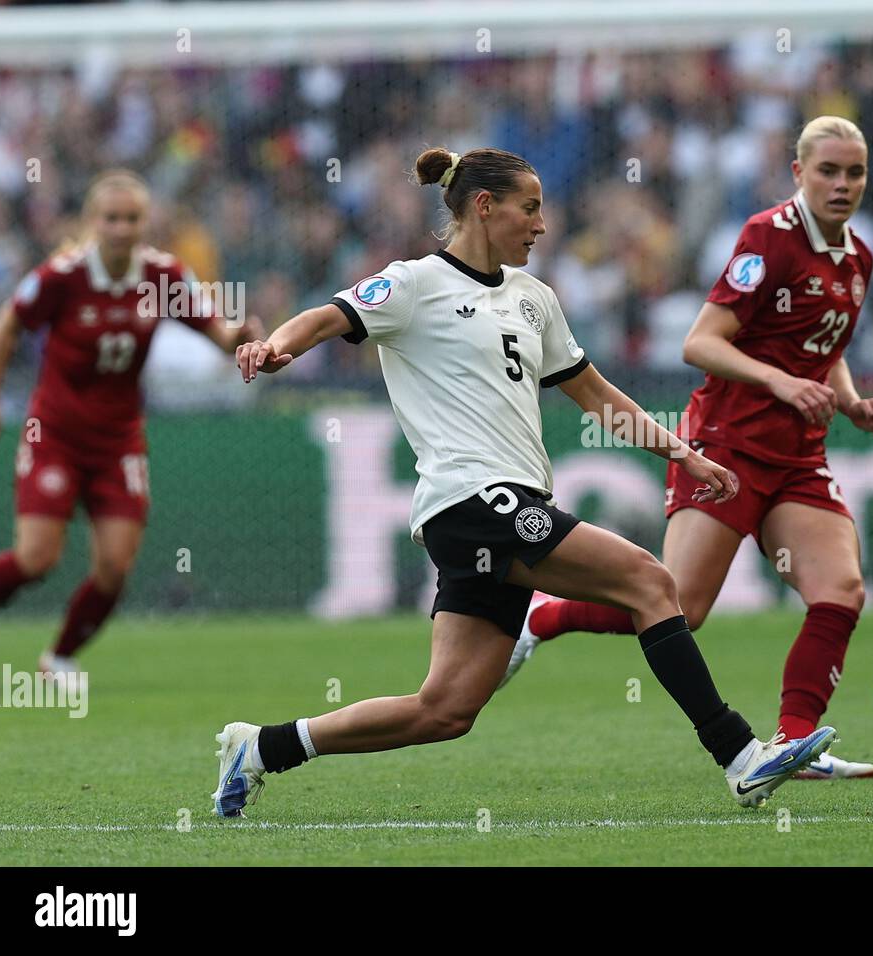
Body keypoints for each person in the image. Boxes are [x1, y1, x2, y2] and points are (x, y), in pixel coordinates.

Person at [213, 146, 836, 818]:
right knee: (651, 582)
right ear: (485, 207)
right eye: (530, 208)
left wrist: (684, 455)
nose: (542, 225)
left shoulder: (535, 299)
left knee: (445, 709)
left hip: (505, 506)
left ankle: (261, 748)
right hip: (472, 500)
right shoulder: (414, 283)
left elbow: (598, 399)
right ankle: (741, 756)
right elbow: (328, 316)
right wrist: (276, 347)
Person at [502, 117, 873, 781]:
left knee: (842, 590)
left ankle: (795, 745)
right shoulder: (768, 239)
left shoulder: (858, 257)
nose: (842, 184)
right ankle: (547, 615)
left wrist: (849, 399)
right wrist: (781, 382)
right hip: (729, 444)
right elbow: (701, 342)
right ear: (798, 173)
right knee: (683, 604)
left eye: (854, 172)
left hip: (798, 456)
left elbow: (825, 350)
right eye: (828, 171)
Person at [0, 170, 262, 673]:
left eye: (132, 218)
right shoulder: (62, 276)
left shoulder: (163, 276)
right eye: (111, 218)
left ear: (144, 222)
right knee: (36, 558)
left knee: (114, 567)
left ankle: (60, 658)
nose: (121, 227)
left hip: (117, 443)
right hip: (55, 436)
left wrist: (240, 333)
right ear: (94, 222)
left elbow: (214, 331)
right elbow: (6, 326)